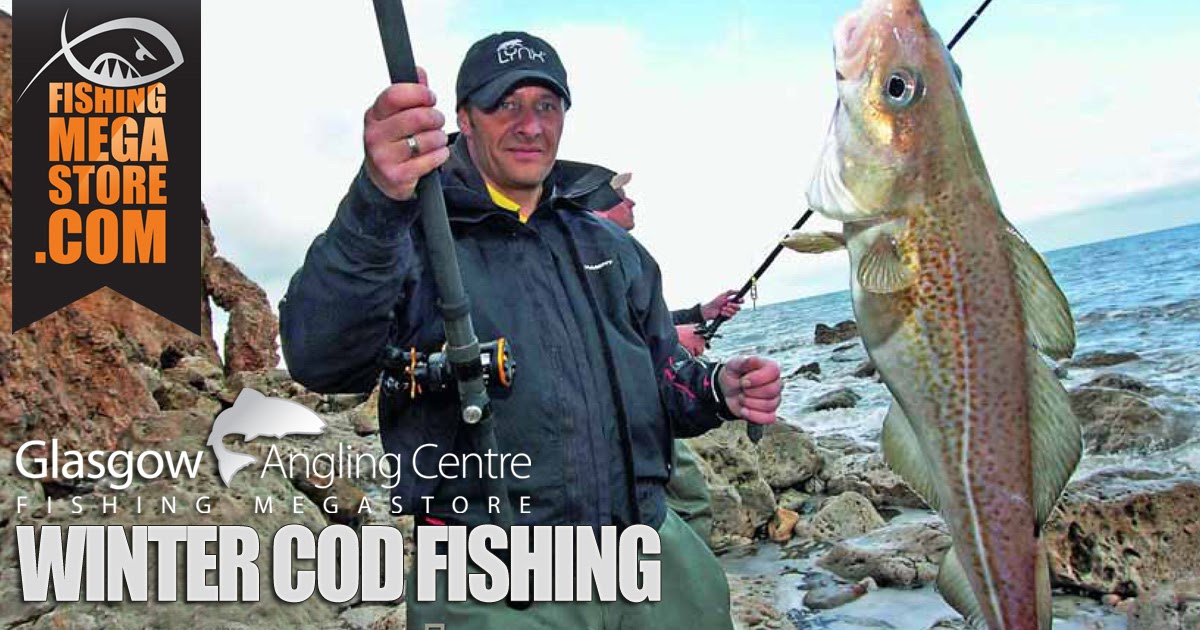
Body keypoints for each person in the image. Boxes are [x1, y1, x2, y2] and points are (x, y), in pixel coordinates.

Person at [280, 31, 782, 629]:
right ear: (463, 119)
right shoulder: (408, 237)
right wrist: (377, 199)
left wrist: (718, 390)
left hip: (644, 552)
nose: (530, 125)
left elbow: (662, 378)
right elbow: (320, 360)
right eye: (505, 105)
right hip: (495, 578)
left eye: (546, 105)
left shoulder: (614, 249)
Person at [578, 167, 745, 543]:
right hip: (630, 417)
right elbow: (601, 333)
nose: (632, 201)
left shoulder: (613, 255)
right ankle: (675, 584)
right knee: (690, 501)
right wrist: (675, 338)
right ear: (599, 208)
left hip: (642, 411)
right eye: (622, 197)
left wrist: (700, 315)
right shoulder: (591, 255)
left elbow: (637, 320)